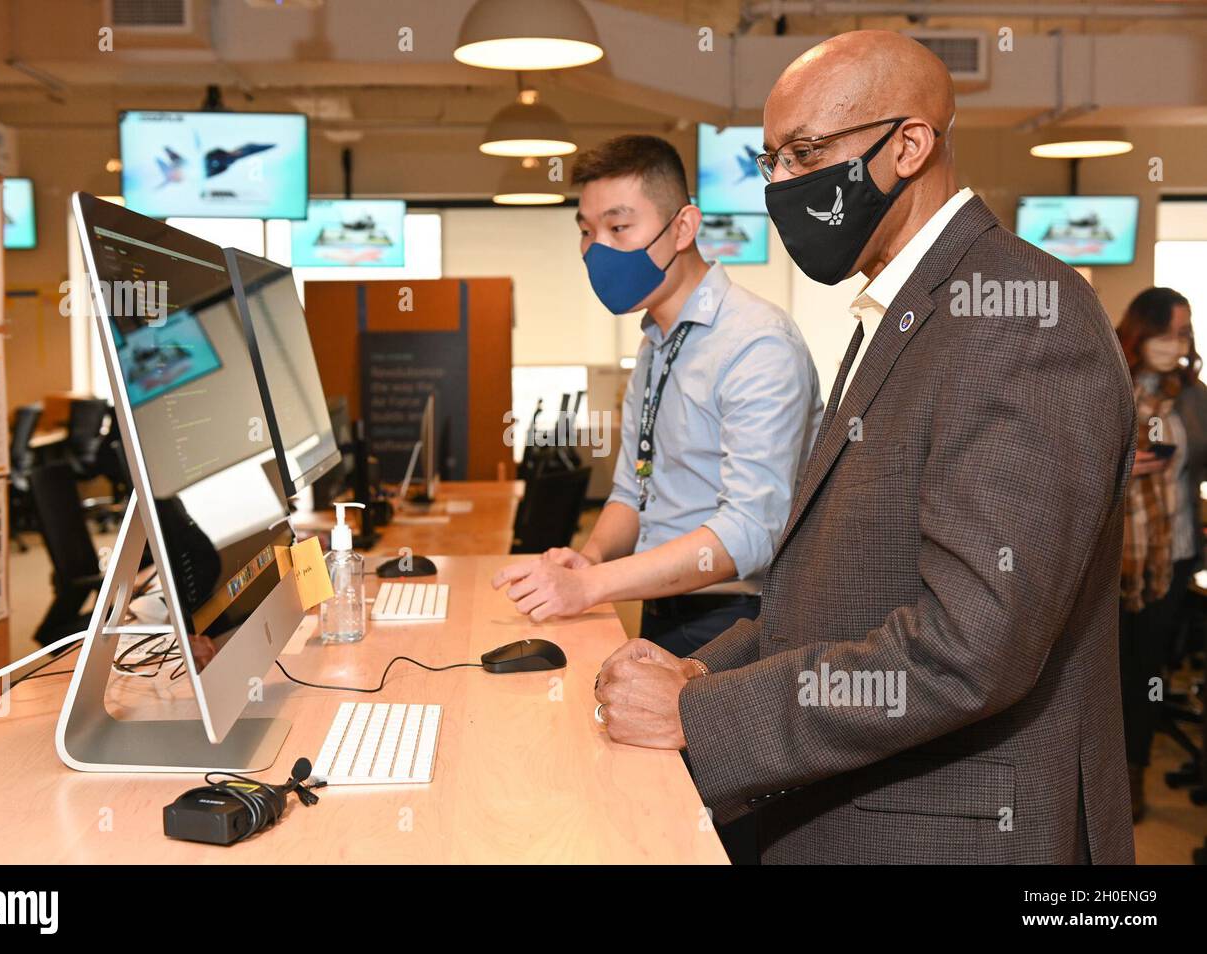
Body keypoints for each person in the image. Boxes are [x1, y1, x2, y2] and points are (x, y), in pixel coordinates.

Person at [593, 30, 1136, 864]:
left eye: (806, 153)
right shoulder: (905, 306)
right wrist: (707, 671)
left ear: (910, 144)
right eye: (772, 160)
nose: (780, 187)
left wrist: (703, 716)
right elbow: (839, 590)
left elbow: (968, 649)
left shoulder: (1021, 315)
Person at [492, 135, 822, 655]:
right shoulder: (656, 342)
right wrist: (593, 557)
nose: (597, 249)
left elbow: (750, 531)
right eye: (586, 231)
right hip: (660, 604)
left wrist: (593, 587)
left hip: (737, 622)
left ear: (683, 228)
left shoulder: (756, 342)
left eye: (619, 227)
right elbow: (632, 490)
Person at [1115, 286, 1207, 822]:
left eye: (1186, 332)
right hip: (1111, 562)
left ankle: (1134, 774)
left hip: (1170, 559)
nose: (1180, 341)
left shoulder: (1193, 396)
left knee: (1148, 675)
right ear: (1143, 332)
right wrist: (1120, 470)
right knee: (1109, 675)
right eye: (1172, 330)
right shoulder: (1108, 385)